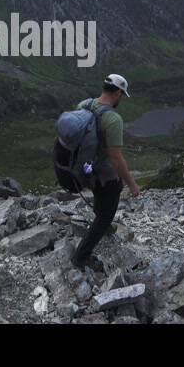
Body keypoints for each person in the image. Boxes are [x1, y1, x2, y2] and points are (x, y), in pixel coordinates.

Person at [71, 73, 141, 269]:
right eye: (122, 95)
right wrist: (133, 185)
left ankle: (102, 224)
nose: (121, 99)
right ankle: (81, 257)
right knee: (106, 213)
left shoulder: (84, 105)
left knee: (101, 201)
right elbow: (116, 157)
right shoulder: (113, 119)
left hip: (85, 168)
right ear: (118, 93)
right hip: (103, 174)